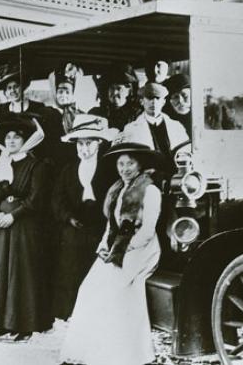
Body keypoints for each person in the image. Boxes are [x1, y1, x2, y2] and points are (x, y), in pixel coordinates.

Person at [59, 130, 163, 365]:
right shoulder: (118, 189)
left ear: (140, 165)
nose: (125, 168)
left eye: (130, 163)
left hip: (141, 249)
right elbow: (111, 225)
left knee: (114, 290)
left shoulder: (150, 191)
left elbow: (147, 232)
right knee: (88, 289)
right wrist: (103, 246)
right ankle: (91, 351)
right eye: (121, 163)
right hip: (117, 247)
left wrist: (122, 250)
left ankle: (122, 354)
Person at [0, 114, 53, 342]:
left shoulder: (36, 165)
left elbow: (35, 199)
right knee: (0, 272)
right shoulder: (1, 164)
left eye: (16, 137)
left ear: (25, 140)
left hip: (23, 229)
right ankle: (2, 322)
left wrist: (13, 216)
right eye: (7, 137)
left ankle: (24, 325)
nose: (10, 141)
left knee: (20, 274)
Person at [51, 114, 118, 320]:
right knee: (70, 271)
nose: (84, 149)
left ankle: (95, 315)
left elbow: (115, 199)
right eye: (80, 144)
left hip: (99, 230)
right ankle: (71, 313)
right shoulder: (68, 170)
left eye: (89, 143)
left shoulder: (108, 169)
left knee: (96, 273)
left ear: (98, 143)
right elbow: (57, 199)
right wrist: (69, 217)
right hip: (73, 230)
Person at [0, 72, 64, 165]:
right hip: (12, 156)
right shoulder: (2, 110)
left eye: (16, 86)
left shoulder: (38, 107)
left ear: (23, 88)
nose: (13, 90)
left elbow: (45, 134)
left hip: (35, 155)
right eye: (9, 88)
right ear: (5, 92)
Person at [124, 82, 189, 172]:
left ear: (163, 102)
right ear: (142, 101)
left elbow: (186, 152)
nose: (154, 102)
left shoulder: (177, 126)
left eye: (158, 98)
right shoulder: (131, 129)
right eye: (149, 98)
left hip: (175, 176)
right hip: (146, 178)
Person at [89, 65, 142, 131]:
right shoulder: (95, 114)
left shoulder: (138, 116)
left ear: (129, 91)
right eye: (111, 88)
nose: (114, 92)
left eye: (118, 88)